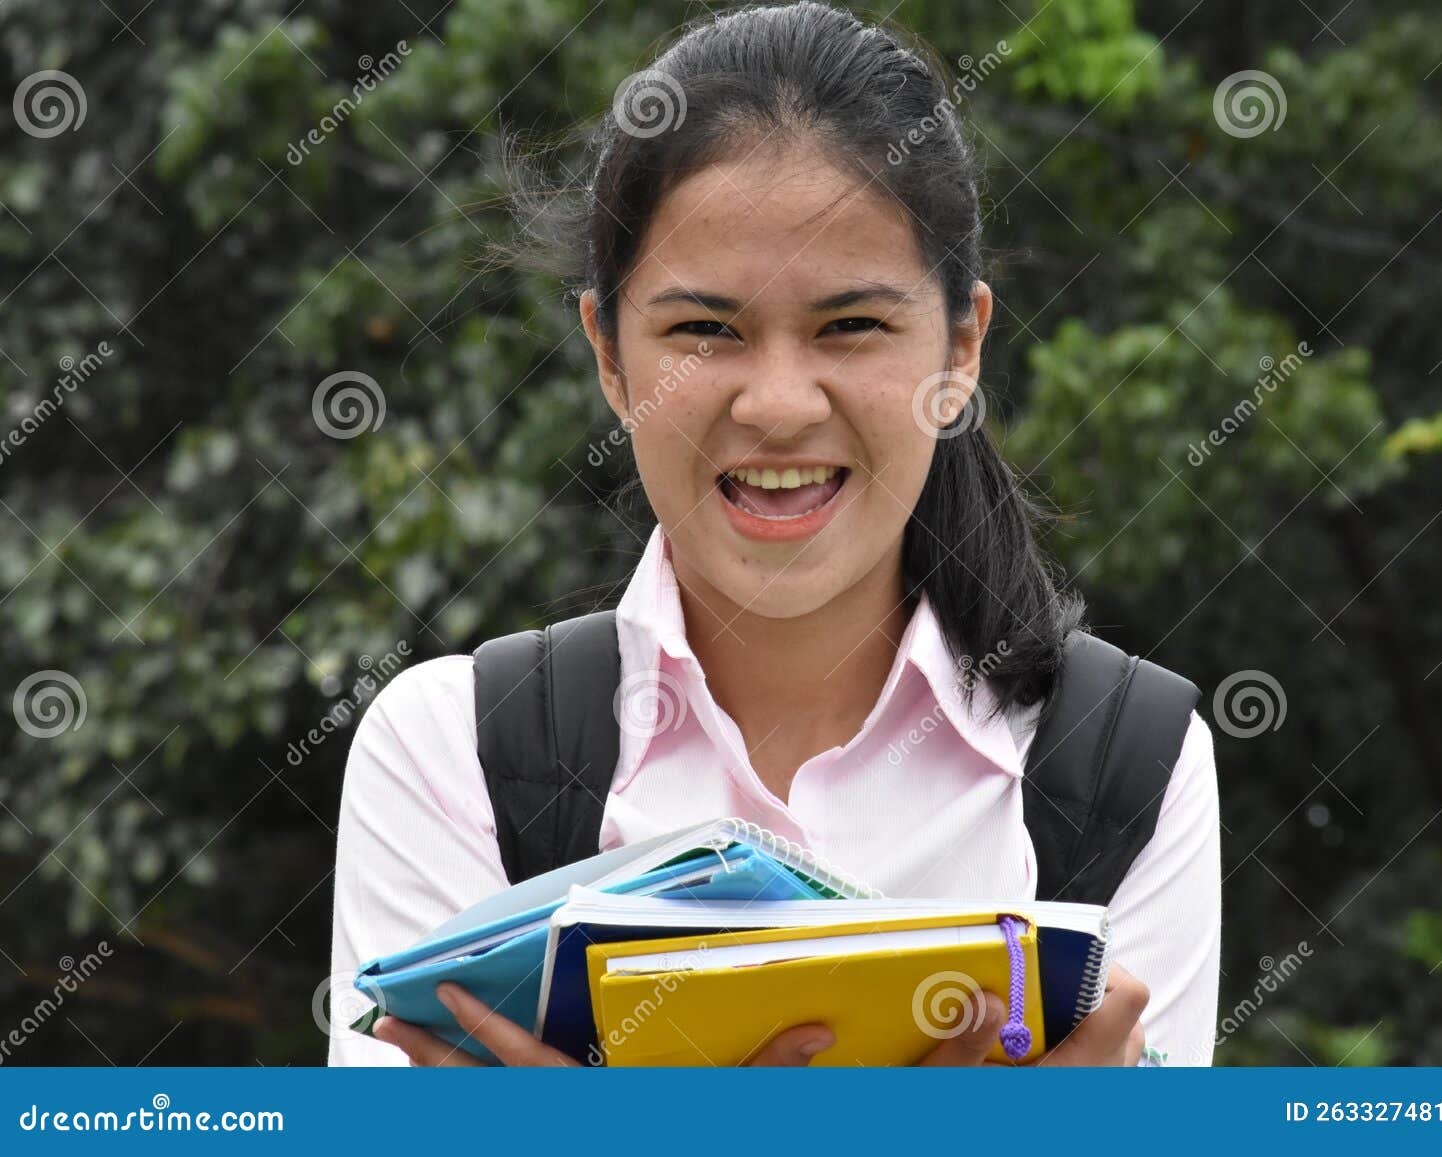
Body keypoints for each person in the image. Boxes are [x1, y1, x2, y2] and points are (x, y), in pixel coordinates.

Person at [326, 0, 1219, 1068]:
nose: (780, 404)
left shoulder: (1127, 764)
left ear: (961, 349)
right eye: (706, 329)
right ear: (609, 355)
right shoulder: (453, 757)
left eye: (852, 325)